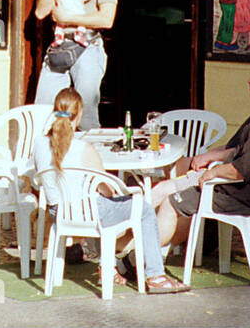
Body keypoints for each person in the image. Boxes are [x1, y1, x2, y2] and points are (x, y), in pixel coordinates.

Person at [33, 89, 189, 293]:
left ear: (55, 111)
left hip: (58, 212)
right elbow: (106, 191)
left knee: (90, 205)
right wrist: (120, 194)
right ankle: (155, 275)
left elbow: (38, 178)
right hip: (90, 212)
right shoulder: (84, 149)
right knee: (142, 208)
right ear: (79, 114)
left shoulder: (38, 144)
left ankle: (108, 264)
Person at [158, 57, 250, 247]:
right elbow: (243, 151)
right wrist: (210, 159)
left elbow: (242, 169)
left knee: (170, 202)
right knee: (174, 181)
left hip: (240, 196)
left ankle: (141, 258)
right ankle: (140, 244)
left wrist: (212, 172)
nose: (249, 81)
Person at [33, 0, 117, 131]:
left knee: (86, 115)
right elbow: (40, 11)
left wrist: (67, 17)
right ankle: (47, 161)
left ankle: (89, 162)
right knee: (44, 113)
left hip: (88, 46)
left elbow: (106, 19)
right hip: (60, 46)